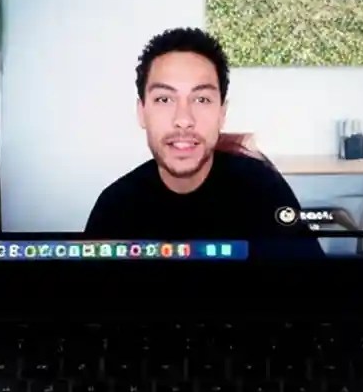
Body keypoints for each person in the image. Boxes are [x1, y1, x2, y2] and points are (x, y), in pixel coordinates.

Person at [84, 27, 307, 242]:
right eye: (164, 99)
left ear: (222, 114)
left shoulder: (263, 191)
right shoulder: (114, 208)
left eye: (201, 100)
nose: (184, 119)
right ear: (142, 112)